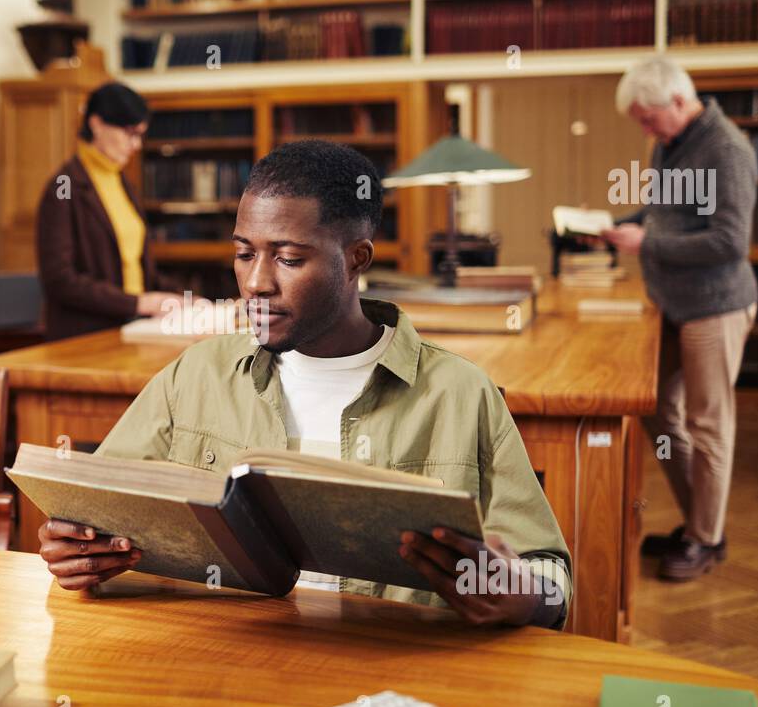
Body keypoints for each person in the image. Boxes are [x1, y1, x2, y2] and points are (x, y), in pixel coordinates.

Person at [36, 140, 572, 629]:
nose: (256, 283)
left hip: (395, 678)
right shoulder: (192, 376)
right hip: (221, 667)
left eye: (289, 259)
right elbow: (92, 517)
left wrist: (523, 595)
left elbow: (551, 580)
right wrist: (77, 549)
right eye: (244, 253)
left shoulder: (460, 394)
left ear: (356, 259)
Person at [604, 55, 758, 581]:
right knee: (655, 409)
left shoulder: (726, 149)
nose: (645, 130)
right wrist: (611, 226)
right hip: (672, 303)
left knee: (708, 423)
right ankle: (699, 521)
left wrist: (647, 241)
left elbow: (730, 242)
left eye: (648, 118)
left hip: (715, 304)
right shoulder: (669, 144)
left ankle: (706, 539)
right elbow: (661, 213)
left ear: (677, 100)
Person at [36, 82, 190, 340]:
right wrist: (138, 303)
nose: (137, 145)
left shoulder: (122, 183)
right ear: (96, 124)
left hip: (133, 327)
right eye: (130, 133)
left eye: (141, 135)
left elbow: (138, 272)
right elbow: (60, 281)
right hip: (86, 336)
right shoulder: (63, 187)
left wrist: (182, 298)